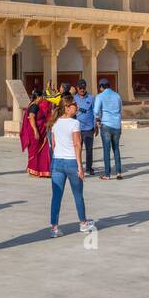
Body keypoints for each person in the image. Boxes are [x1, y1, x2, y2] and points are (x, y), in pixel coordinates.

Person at [47, 94, 94, 236]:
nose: (77, 106)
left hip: (57, 162)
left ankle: (54, 228)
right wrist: (80, 166)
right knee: (78, 195)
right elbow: (77, 145)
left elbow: (53, 145)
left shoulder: (54, 122)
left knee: (56, 196)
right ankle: (83, 223)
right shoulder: (74, 123)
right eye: (74, 104)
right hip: (71, 162)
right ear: (67, 108)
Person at [94, 77, 124, 179]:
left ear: (101, 87)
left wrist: (97, 121)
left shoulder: (100, 96)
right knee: (116, 148)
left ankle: (107, 174)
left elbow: (96, 111)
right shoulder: (117, 96)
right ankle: (119, 172)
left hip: (106, 125)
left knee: (106, 150)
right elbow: (120, 110)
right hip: (116, 125)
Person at [19, 89, 52, 178]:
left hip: (40, 131)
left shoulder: (34, 105)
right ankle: (34, 171)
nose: (42, 99)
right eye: (42, 97)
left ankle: (40, 171)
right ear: (39, 97)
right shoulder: (34, 106)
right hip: (35, 133)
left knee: (41, 152)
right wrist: (35, 131)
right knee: (35, 152)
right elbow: (31, 118)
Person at [73, 79, 97, 175]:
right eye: (80, 88)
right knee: (77, 149)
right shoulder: (74, 98)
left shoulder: (91, 98)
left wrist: (96, 125)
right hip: (77, 129)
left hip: (88, 128)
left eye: (84, 88)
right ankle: (77, 167)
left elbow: (95, 112)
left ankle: (89, 168)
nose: (82, 90)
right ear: (77, 88)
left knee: (89, 149)